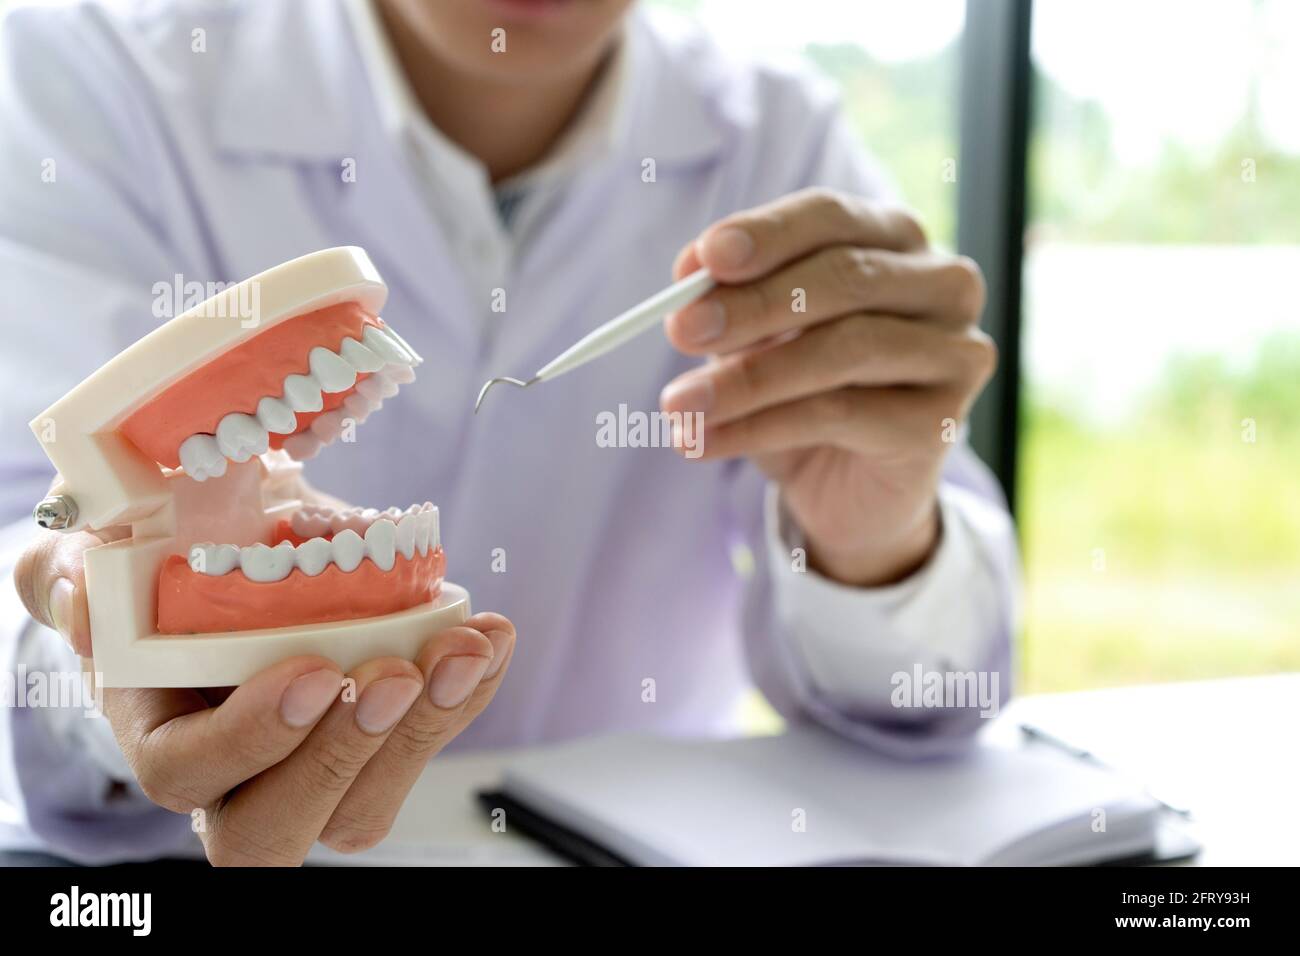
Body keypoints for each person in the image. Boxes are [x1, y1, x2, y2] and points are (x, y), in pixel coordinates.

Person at [0, 0, 1017, 866]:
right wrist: (116, 656)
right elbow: (29, 530)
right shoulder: (89, 66)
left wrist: (873, 541)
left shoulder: (779, 136)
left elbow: (931, 697)